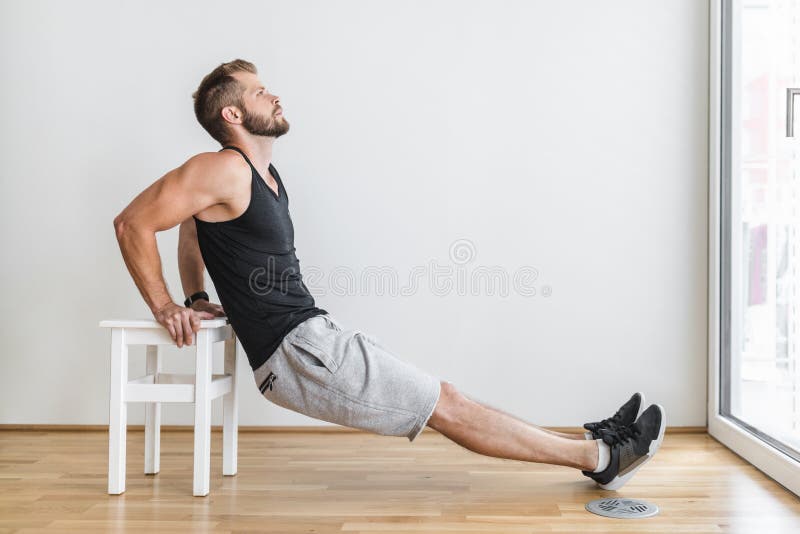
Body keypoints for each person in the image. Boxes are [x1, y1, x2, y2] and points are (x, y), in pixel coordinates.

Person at [112, 59, 666, 491]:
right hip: (297, 353)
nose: (274, 95)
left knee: (447, 398)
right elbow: (133, 222)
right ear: (232, 115)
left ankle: (592, 441)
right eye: (259, 91)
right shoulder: (221, 167)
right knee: (446, 405)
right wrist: (166, 305)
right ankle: (603, 458)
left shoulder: (261, 176)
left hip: (311, 339)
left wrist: (195, 295)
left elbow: (190, 230)